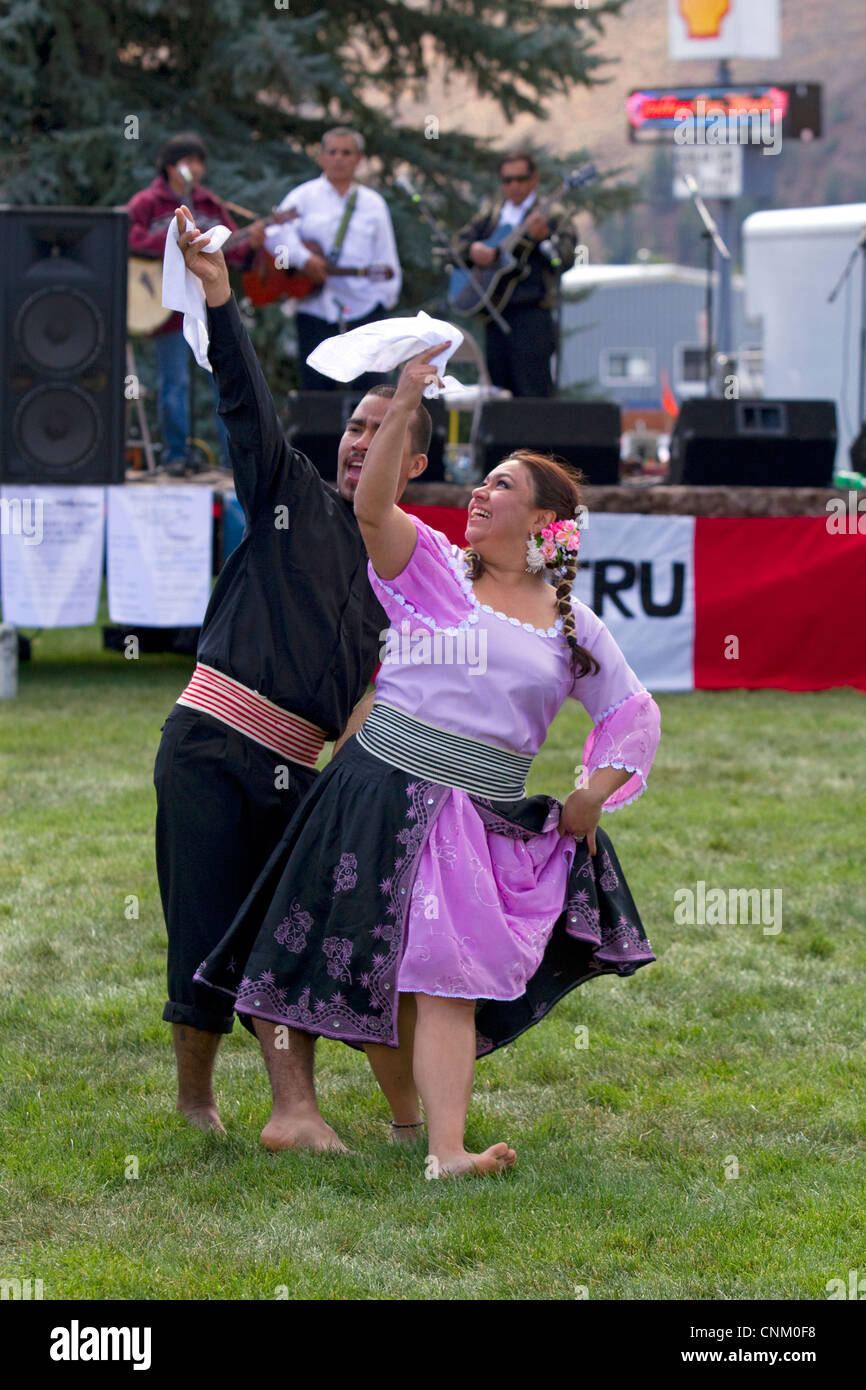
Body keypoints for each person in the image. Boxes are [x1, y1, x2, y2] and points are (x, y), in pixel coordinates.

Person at [194, 345, 662, 1176]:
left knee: (438, 977)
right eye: (481, 483)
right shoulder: (438, 570)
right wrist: (409, 393)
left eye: (502, 486)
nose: (480, 492)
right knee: (387, 968)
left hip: (475, 821)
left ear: (544, 522)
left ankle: (435, 1145)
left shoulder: (570, 624)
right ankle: (405, 1133)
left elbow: (631, 711)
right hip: (377, 790)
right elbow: (372, 509)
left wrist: (591, 794)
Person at [155, 206, 430, 1144]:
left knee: (284, 942)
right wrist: (222, 298)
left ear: (413, 457)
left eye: (382, 428)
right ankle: (197, 1106)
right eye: (354, 426)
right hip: (208, 742)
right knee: (202, 924)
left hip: (304, 774)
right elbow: (244, 400)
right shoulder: (287, 493)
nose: (360, 442)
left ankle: (297, 1111)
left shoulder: (411, 572)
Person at [127, 133, 266, 473]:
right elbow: (128, 237)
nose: (196, 169)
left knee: (223, 382)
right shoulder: (148, 202)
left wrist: (251, 242)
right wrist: (175, 240)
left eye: (200, 162)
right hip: (165, 309)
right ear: (171, 166)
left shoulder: (210, 205)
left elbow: (230, 249)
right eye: (188, 161)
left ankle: (232, 461)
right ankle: (175, 456)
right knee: (174, 384)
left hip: (209, 306)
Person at [263, 127, 402, 390]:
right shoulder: (303, 197)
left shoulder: (373, 204)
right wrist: (304, 259)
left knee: (370, 390)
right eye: (332, 152)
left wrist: (382, 301)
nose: (339, 158)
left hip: (364, 307)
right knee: (317, 393)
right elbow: (274, 233)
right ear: (322, 158)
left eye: (346, 152)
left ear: (359, 159)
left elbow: (386, 256)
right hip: (315, 307)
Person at [453, 150, 576, 397]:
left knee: (532, 392)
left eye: (521, 179)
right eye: (508, 180)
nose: (515, 186)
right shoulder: (492, 215)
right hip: (495, 314)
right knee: (497, 392)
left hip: (532, 314)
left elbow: (564, 259)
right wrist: (473, 250)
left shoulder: (552, 215)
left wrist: (544, 240)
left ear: (534, 179)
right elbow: (456, 247)